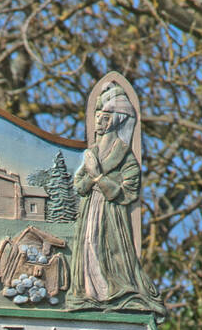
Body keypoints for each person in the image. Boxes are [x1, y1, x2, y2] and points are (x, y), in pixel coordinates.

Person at [69, 83, 165, 316]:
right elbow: (79, 185)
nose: (98, 121)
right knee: (88, 246)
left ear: (114, 121)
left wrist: (99, 177)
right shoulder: (91, 152)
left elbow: (129, 190)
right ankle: (89, 294)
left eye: (104, 117)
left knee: (107, 252)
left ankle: (113, 294)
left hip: (111, 215)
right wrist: (91, 178)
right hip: (90, 208)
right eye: (97, 116)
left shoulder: (124, 154)